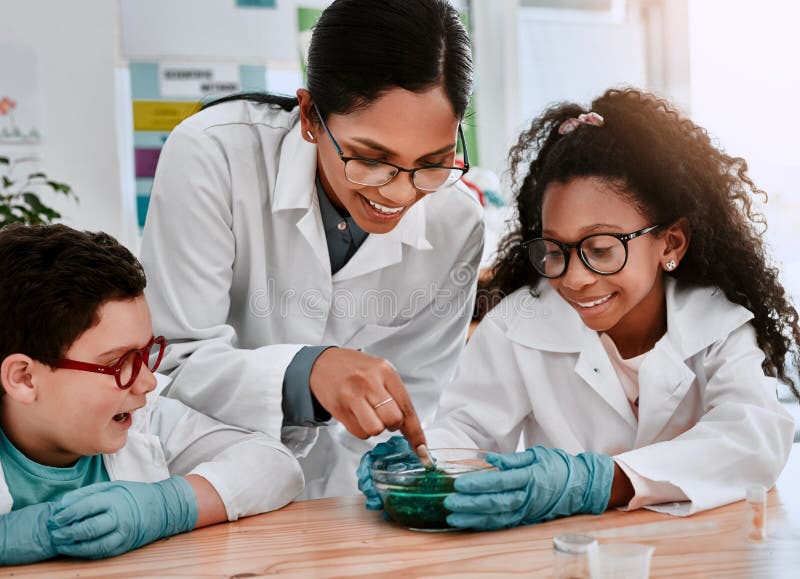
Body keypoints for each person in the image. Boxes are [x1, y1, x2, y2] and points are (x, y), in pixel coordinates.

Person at [358, 88, 796, 529]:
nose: (573, 277)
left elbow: (752, 439)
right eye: (554, 250)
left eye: (601, 249)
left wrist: (600, 481)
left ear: (671, 242)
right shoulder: (518, 324)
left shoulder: (718, 324)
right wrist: (419, 461)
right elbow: (467, 431)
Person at [139, 0, 483, 499]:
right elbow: (171, 362)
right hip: (205, 490)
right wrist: (306, 373)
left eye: (432, 162)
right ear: (309, 117)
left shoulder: (457, 223)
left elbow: (412, 401)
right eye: (370, 159)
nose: (399, 193)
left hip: (346, 513)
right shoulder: (213, 155)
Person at [0, 224, 303, 565]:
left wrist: (166, 507)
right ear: (25, 378)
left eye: (145, 353)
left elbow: (275, 465)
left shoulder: (146, 419)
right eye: (118, 362)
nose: (147, 382)